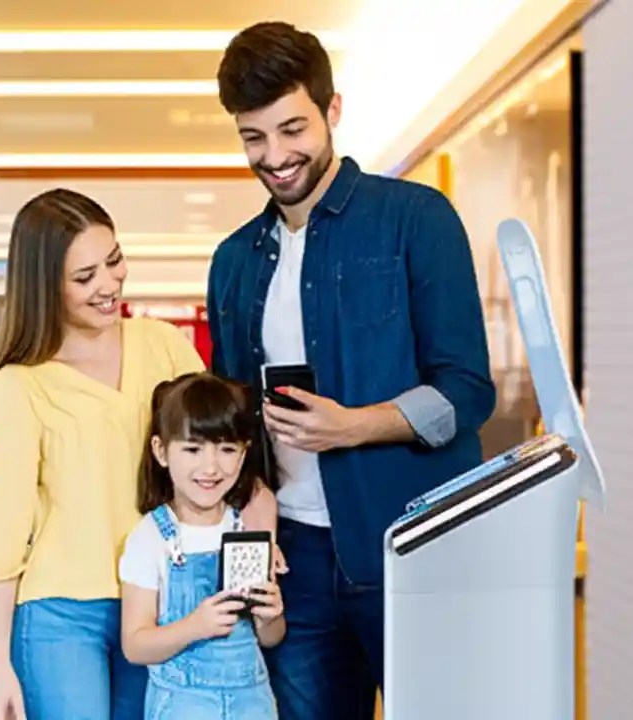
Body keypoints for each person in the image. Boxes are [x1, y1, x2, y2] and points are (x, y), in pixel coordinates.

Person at [207, 21, 498, 720]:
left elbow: (467, 390)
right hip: (292, 562)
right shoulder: (234, 261)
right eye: (253, 137)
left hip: (412, 544)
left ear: (332, 110)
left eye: (292, 129)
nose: (275, 156)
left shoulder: (416, 220)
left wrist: (355, 426)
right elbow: (231, 420)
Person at [0, 188, 208, 720]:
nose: (109, 284)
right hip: (60, 616)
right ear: (45, 286)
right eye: (85, 276)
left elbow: (216, 456)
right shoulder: (19, 386)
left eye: (114, 261)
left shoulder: (163, 346)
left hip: (161, 599)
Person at [119, 372, 285, 719]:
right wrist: (194, 627)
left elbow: (270, 638)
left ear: (244, 454)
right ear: (161, 451)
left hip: (252, 704)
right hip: (183, 705)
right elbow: (135, 645)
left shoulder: (248, 528)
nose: (210, 467)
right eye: (192, 449)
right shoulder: (151, 538)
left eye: (227, 449)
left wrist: (272, 616)